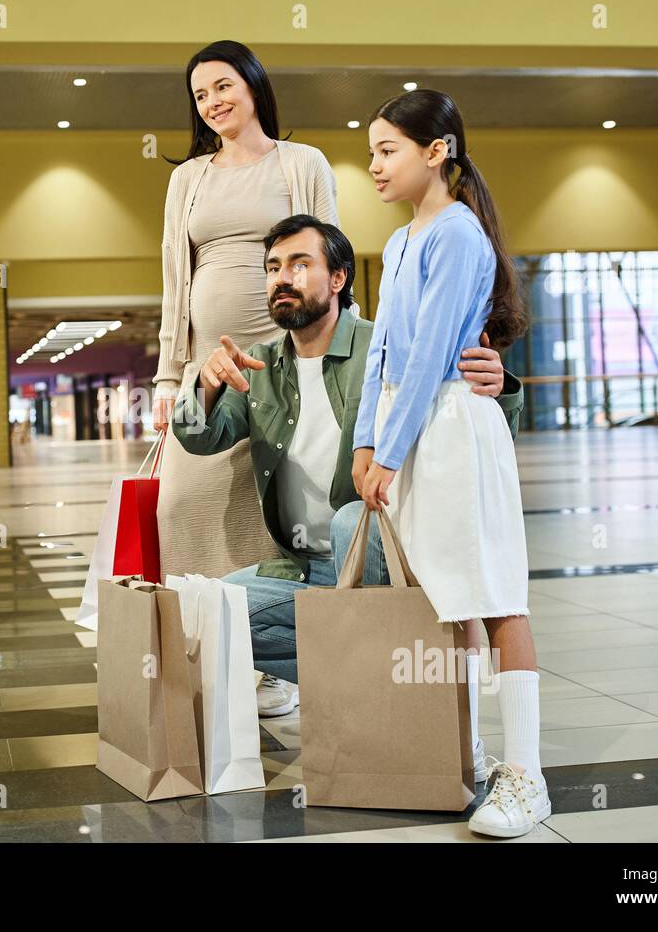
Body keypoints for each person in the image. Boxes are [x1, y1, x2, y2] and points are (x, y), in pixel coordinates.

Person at [172, 213, 522, 786]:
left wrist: (498, 384)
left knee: (351, 517)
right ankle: (374, 685)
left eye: (300, 264)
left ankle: (445, 725)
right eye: (273, 267)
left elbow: (469, 414)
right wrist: (204, 384)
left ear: (337, 278)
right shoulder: (261, 366)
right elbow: (199, 435)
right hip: (305, 570)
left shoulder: (385, 346)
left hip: (382, 554)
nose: (283, 278)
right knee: (218, 614)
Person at [352, 88, 545, 838]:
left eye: (386, 149)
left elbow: (432, 353)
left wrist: (390, 451)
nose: (373, 164)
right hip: (413, 429)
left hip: (454, 425)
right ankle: (462, 755)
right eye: (371, 151)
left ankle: (526, 779)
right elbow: (383, 355)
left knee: (494, 594)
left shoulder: (458, 234)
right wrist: (366, 446)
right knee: (451, 601)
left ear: (437, 152)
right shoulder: (400, 243)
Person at [152, 40, 351, 581]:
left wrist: (338, 360)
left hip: (281, 375)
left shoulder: (302, 164)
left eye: (223, 86)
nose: (212, 102)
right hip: (206, 373)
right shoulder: (187, 179)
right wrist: (169, 377)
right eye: (199, 95)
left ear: (254, 86)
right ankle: (201, 645)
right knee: (179, 511)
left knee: (278, 518)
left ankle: (268, 648)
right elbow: (176, 277)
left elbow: (330, 260)